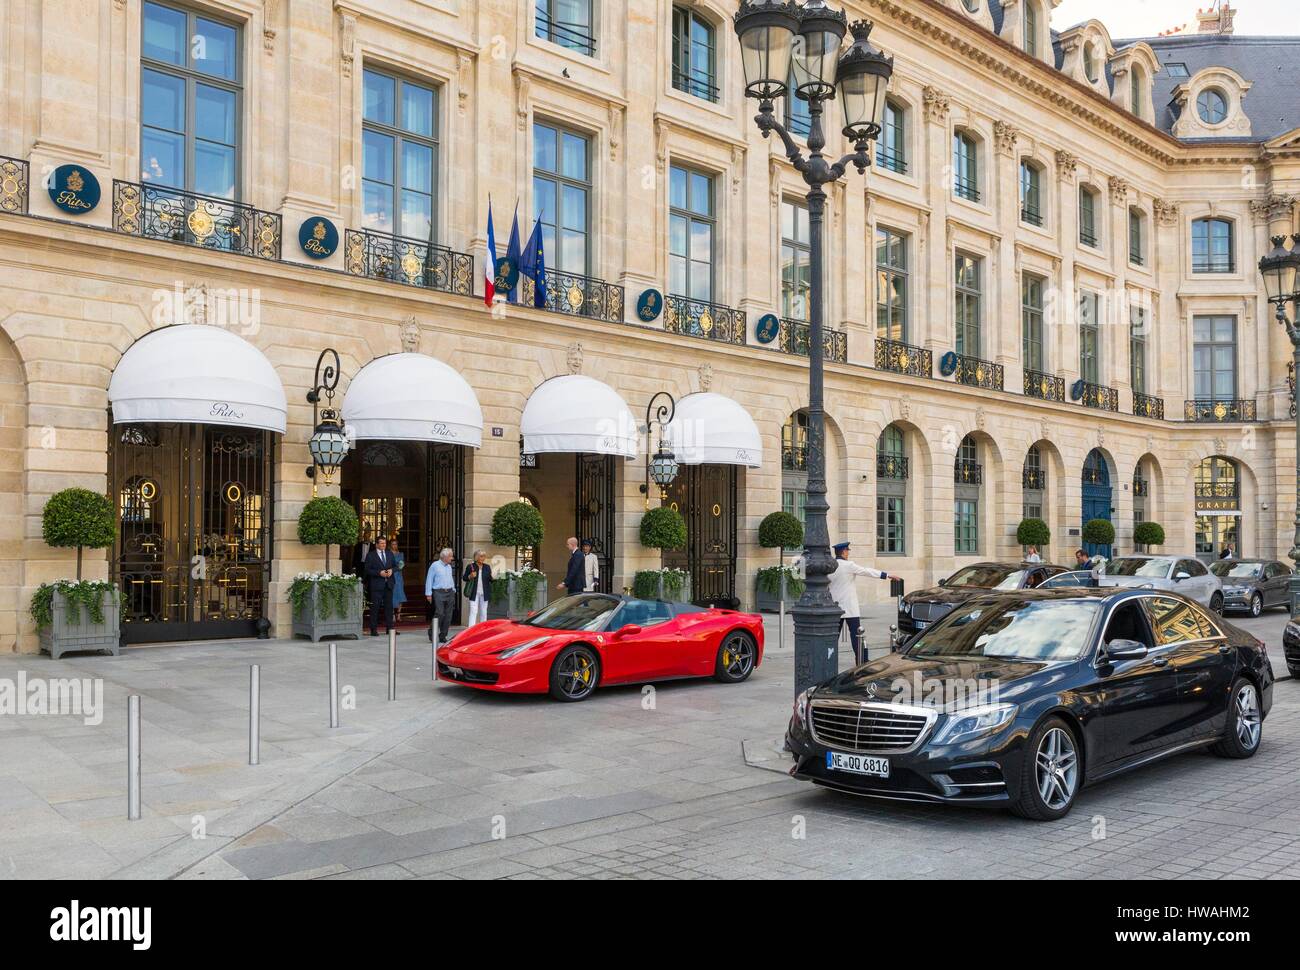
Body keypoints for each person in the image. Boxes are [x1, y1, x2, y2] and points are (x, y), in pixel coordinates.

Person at [794, 542, 890, 665]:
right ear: (844, 552)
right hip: (850, 607)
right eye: (847, 551)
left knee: (833, 636)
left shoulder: (829, 566)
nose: (848, 553)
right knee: (857, 635)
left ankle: (827, 659)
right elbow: (867, 571)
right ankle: (862, 660)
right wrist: (886, 575)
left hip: (834, 607)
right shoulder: (849, 565)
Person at [363, 535, 397, 637]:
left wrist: (392, 570)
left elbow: (395, 566)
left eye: (385, 543)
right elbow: (367, 570)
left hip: (388, 584)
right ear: (377, 544)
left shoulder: (389, 553)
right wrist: (379, 573)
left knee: (389, 607)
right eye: (381, 543)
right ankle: (373, 629)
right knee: (375, 608)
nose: (383, 545)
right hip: (376, 585)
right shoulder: (371, 555)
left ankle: (390, 628)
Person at [425, 547, 457, 644]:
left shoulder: (449, 566)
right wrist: (428, 594)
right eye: (450, 556)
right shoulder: (435, 565)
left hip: (450, 592)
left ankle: (443, 635)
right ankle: (432, 633)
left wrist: (453, 589)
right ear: (445, 557)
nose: (452, 558)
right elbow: (429, 579)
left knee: (448, 615)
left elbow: (450, 578)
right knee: (440, 613)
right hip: (438, 591)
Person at [462, 550, 493, 628]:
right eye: (481, 556)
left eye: (484, 556)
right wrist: (470, 576)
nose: (483, 558)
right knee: (473, 611)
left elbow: (490, 579)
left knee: (484, 612)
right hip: (474, 592)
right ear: (476, 557)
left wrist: (496, 576)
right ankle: (471, 629)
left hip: (484, 592)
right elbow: (464, 578)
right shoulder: (470, 566)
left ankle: (483, 629)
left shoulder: (487, 567)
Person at [389, 536, 406, 627]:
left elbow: (401, 565)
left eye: (395, 544)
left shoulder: (401, 554)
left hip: (399, 576)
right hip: (390, 576)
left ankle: (399, 614)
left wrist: (395, 567)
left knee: (400, 595)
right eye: (392, 544)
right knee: (391, 595)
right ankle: (392, 616)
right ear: (390, 545)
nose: (394, 546)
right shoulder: (388, 554)